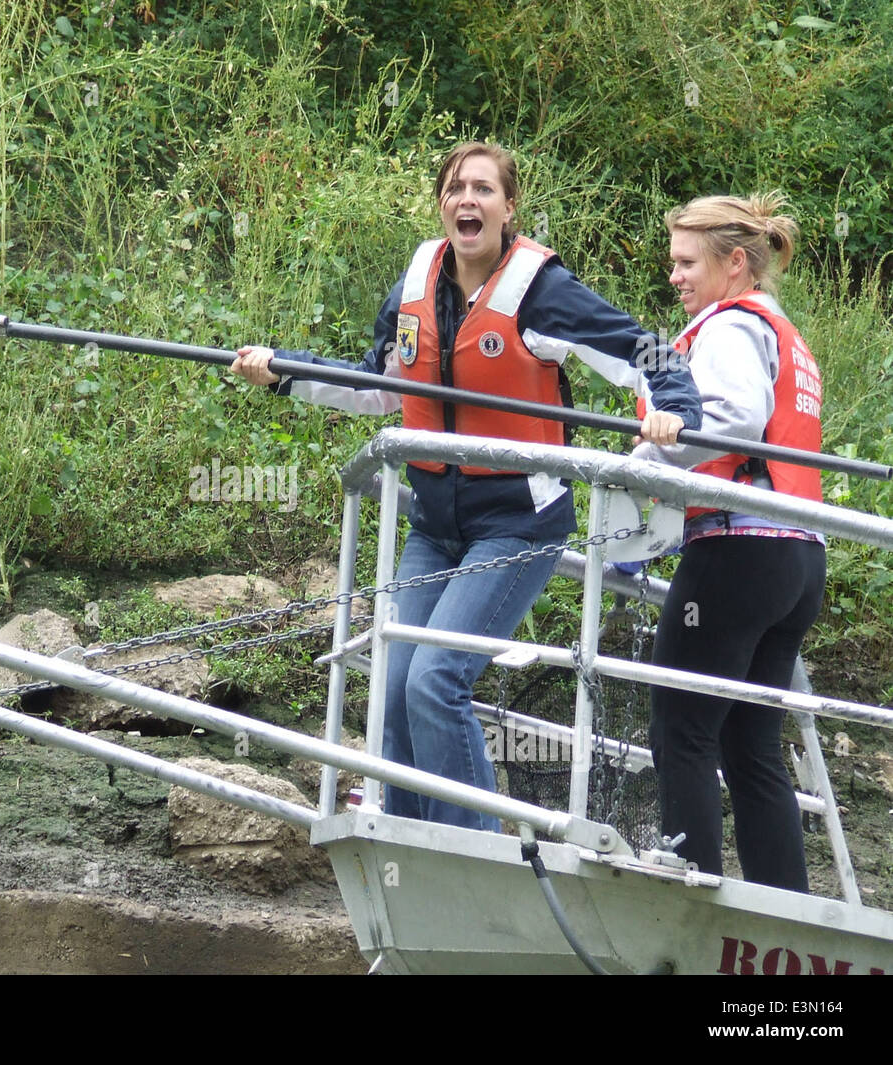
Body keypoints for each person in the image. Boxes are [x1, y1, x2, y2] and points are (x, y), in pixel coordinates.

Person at [231, 141, 702, 830]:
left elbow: (646, 350)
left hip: (518, 524)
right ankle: (416, 844)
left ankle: (479, 851)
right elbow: (378, 388)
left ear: (509, 209)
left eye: (483, 189)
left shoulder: (541, 291)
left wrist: (676, 410)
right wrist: (286, 371)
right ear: (441, 205)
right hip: (434, 525)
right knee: (391, 691)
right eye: (455, 188)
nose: (467, 200)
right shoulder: (416, 284)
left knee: (434, 682)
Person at [632, 192, 823, 892]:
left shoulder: (731, 329)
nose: (674, 276)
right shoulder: (784, 332)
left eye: (686, 263)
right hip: (796, 561)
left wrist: (643, 457)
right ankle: (783, 915)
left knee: (681, 731)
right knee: (751, 746)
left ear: (735, 262)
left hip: (737, 550)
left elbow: (732, 416)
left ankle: (692, 898)